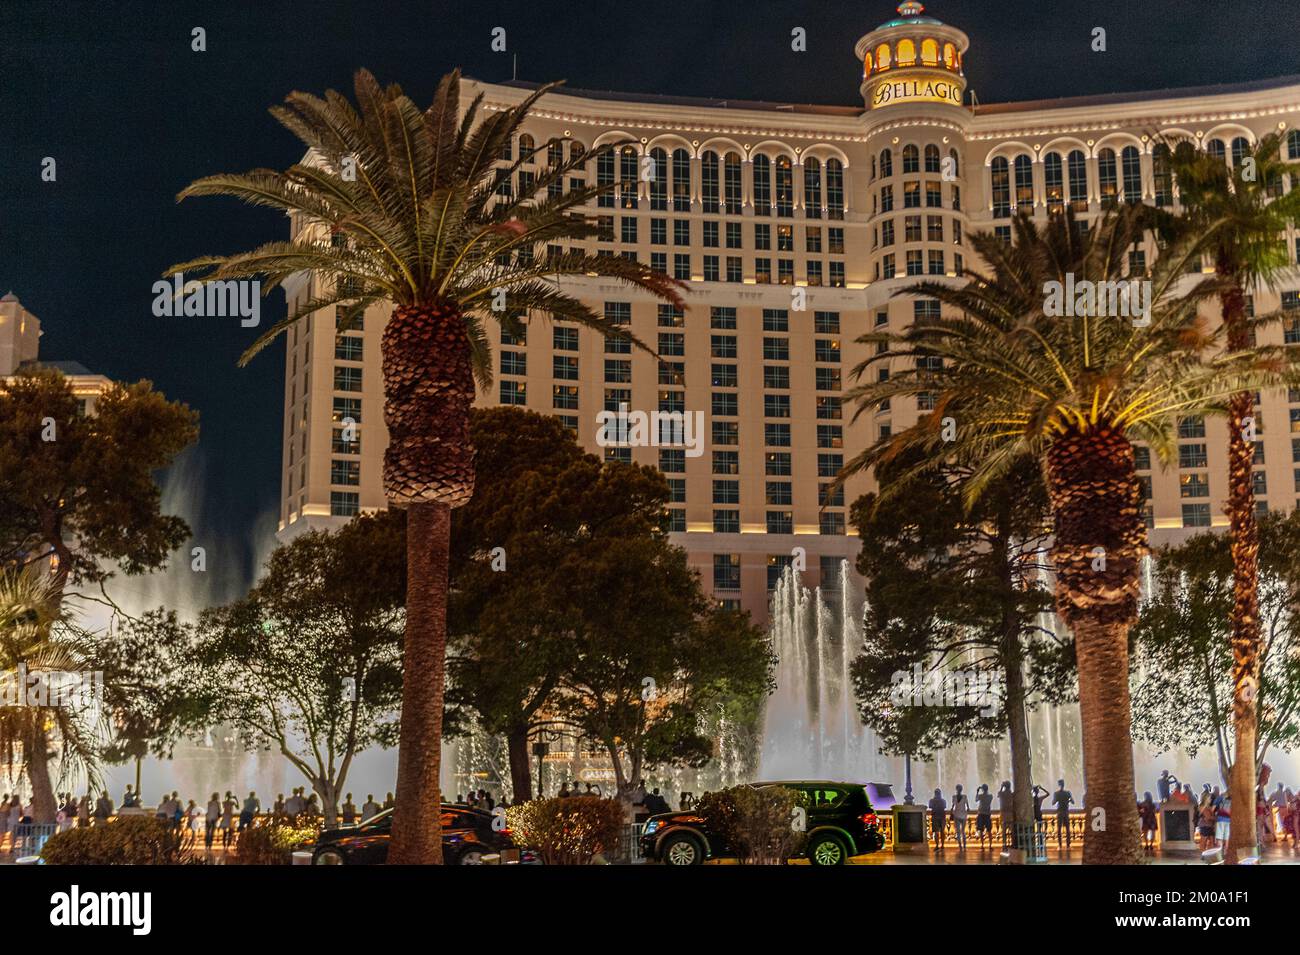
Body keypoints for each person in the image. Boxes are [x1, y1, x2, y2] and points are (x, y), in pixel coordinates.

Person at [1053, 779, 1074, 848]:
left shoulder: (1056, 793)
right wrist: (1069, 799)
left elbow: (1053, 803)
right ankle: (1068, 844)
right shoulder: (1068, 793)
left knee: (1059, 829)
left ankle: (1060, 844)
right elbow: (1073, 802)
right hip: (1066, 811)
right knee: (1067, 829)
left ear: (1059, 785)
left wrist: (1057, 799)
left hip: (1060, 812)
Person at [974, 784, 994, 851]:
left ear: (982, 789)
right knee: (989, 831)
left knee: (981, 830)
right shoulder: (990, 796)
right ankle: (990, 845)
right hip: (987, 814)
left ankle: (982, 845)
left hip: (981, 814)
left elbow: (976, 799)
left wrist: (977, 791)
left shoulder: (981, 796)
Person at [950, 784, 969, 851]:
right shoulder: (964, 797)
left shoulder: (954, 797)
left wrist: (951, 811)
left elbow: (953, 805)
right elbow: (967, 806)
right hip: (963, 815)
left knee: (958, 832)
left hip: (957, 814)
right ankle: (964, 846)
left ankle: (960, 846)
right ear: (961, 789)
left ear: (956, 789)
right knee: (963, 831)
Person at [997, 781, 1013, 846]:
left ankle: (1004, 844)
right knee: (1012, 831)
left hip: (1003, 814)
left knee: (1004, 831)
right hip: (1010, 813)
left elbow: (998, 794)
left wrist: (1001, 787)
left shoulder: (1002, 794)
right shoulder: (1012, 794)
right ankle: (1013, 843)